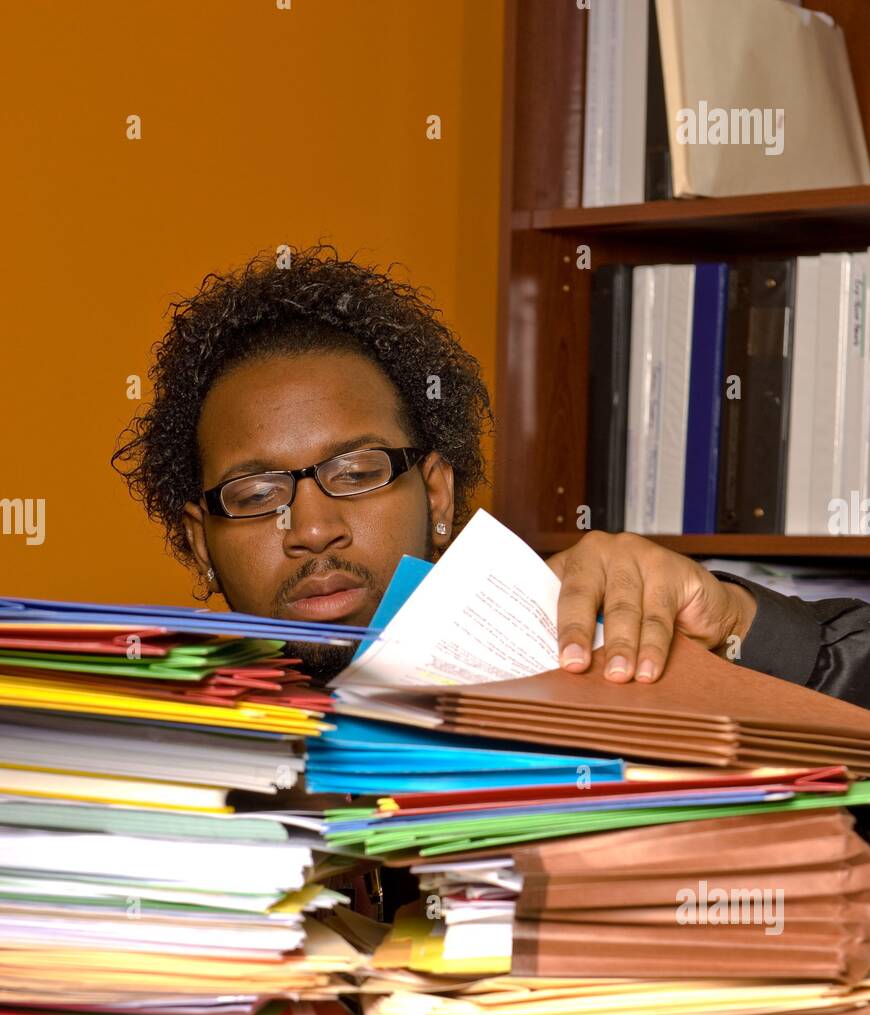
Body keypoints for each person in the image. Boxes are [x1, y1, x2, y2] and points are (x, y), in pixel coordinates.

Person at [113, 245, 870, 707]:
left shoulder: (586, 657)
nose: (311, 527)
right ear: (199, 540)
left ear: (437, 495)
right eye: (255, 496)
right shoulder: (135, 760)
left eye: (357, 471)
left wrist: (733, 618)